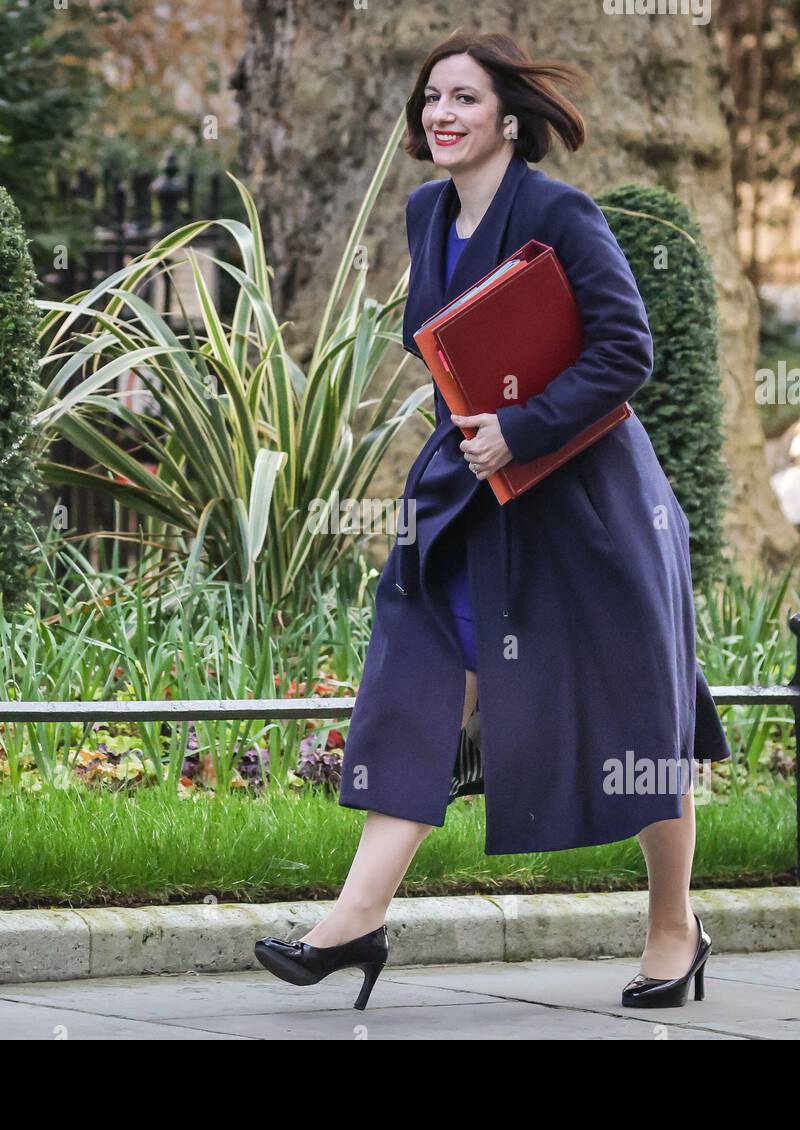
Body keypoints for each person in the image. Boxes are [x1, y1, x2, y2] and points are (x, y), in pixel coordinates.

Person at [254, 28, 731, 1012]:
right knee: (422, 679)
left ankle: (673, 927)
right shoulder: (426, 212)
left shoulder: (560, 211)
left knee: (642, 724)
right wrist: (476, 442)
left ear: (507, 117)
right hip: (475, 509)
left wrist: (518, 427)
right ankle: (351, 918)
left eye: (464, 99)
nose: (441, 114)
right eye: (431, 98)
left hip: (589, 514)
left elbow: (625, 349)